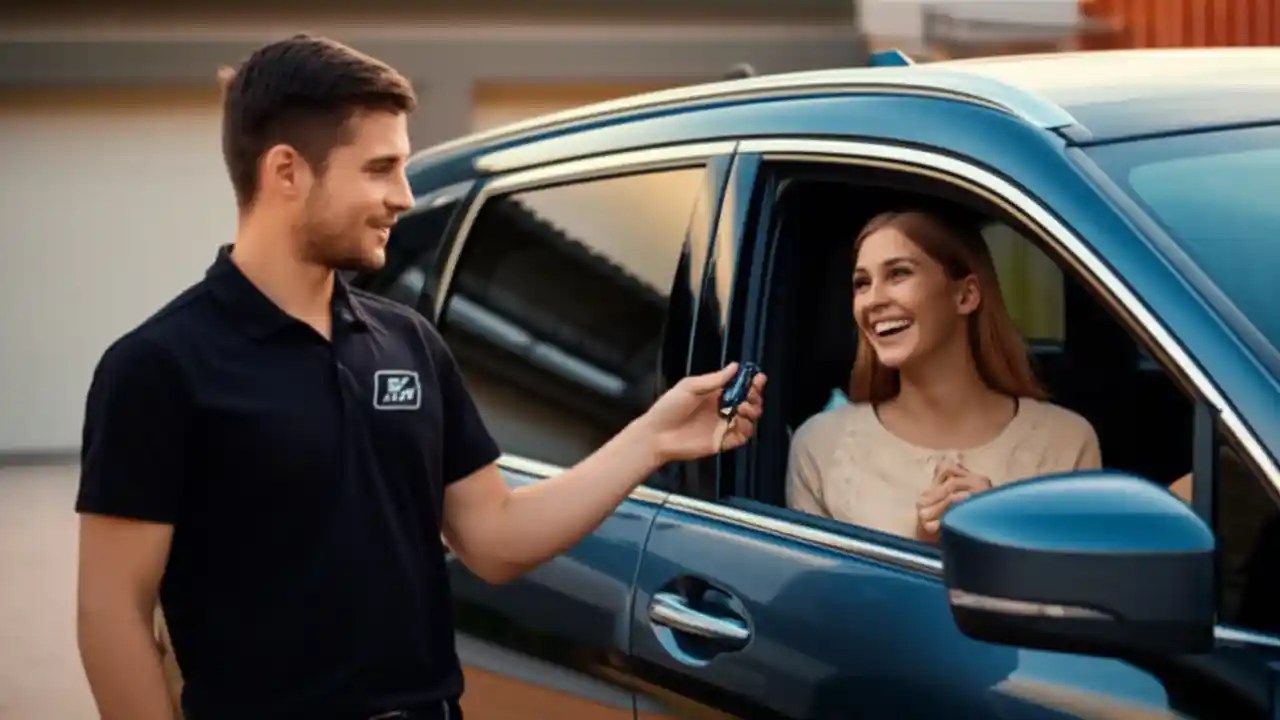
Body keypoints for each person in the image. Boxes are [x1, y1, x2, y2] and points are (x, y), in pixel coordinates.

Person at [74, 34, 766, 720]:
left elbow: (494, 538)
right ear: (286, 172)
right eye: (379, 168)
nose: (403, 196)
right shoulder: (159, 367)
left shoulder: (407, 343)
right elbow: (113, 613)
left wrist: (650, 440)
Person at [786, 209, 1099, 543]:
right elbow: (815, 593)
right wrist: (924, 552)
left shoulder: (1066, 443)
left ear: (965, 296)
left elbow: (1087, 589)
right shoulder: (819, 447)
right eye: (862, 283)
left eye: (898, 274)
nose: (873, 300)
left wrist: (1002, 536)